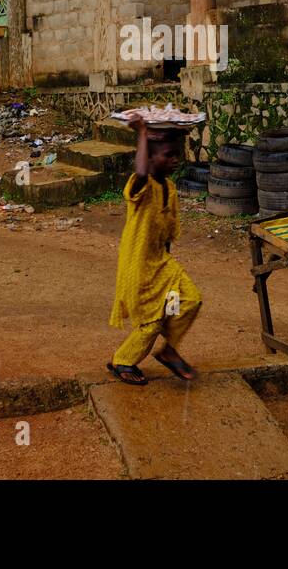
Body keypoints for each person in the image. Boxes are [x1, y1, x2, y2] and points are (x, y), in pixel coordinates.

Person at [106, 114, 201, 385]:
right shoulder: (142, 186)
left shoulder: (169, 188)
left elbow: (169, 234)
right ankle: (123, 361)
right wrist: (143, 135)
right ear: (150, 157)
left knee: (191, 299)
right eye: (169, 155)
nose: (175, 160)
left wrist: (168, 272)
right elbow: (140, 173)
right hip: (137, 268)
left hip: (161, 263)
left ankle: (169, 351)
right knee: (151, 322)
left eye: (177, 155)